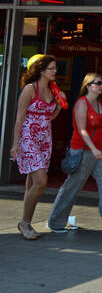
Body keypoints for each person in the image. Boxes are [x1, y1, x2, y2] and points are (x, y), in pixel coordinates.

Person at [47, 73, 102, 236]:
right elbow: (82, 130)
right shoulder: (81, 104)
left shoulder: (99, 102)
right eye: (97, 83)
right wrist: (94, 149)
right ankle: (56, 222)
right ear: (88, 86)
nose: (101, 86)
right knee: (72, 187)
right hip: (83, 150)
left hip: (100, 149)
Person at [13, 55, 65, 239]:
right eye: (52, 68)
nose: (55, 71)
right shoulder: (30, 89)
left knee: (32, 182)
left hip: (45, 139)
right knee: (41, 180)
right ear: (41, 70)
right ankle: (25, 223)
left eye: (55, 68)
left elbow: (48, 117)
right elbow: (20, 118)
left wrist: (58, 106)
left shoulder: (53, 90)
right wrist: (15, 144)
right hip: (28, 137)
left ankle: (26, 223)